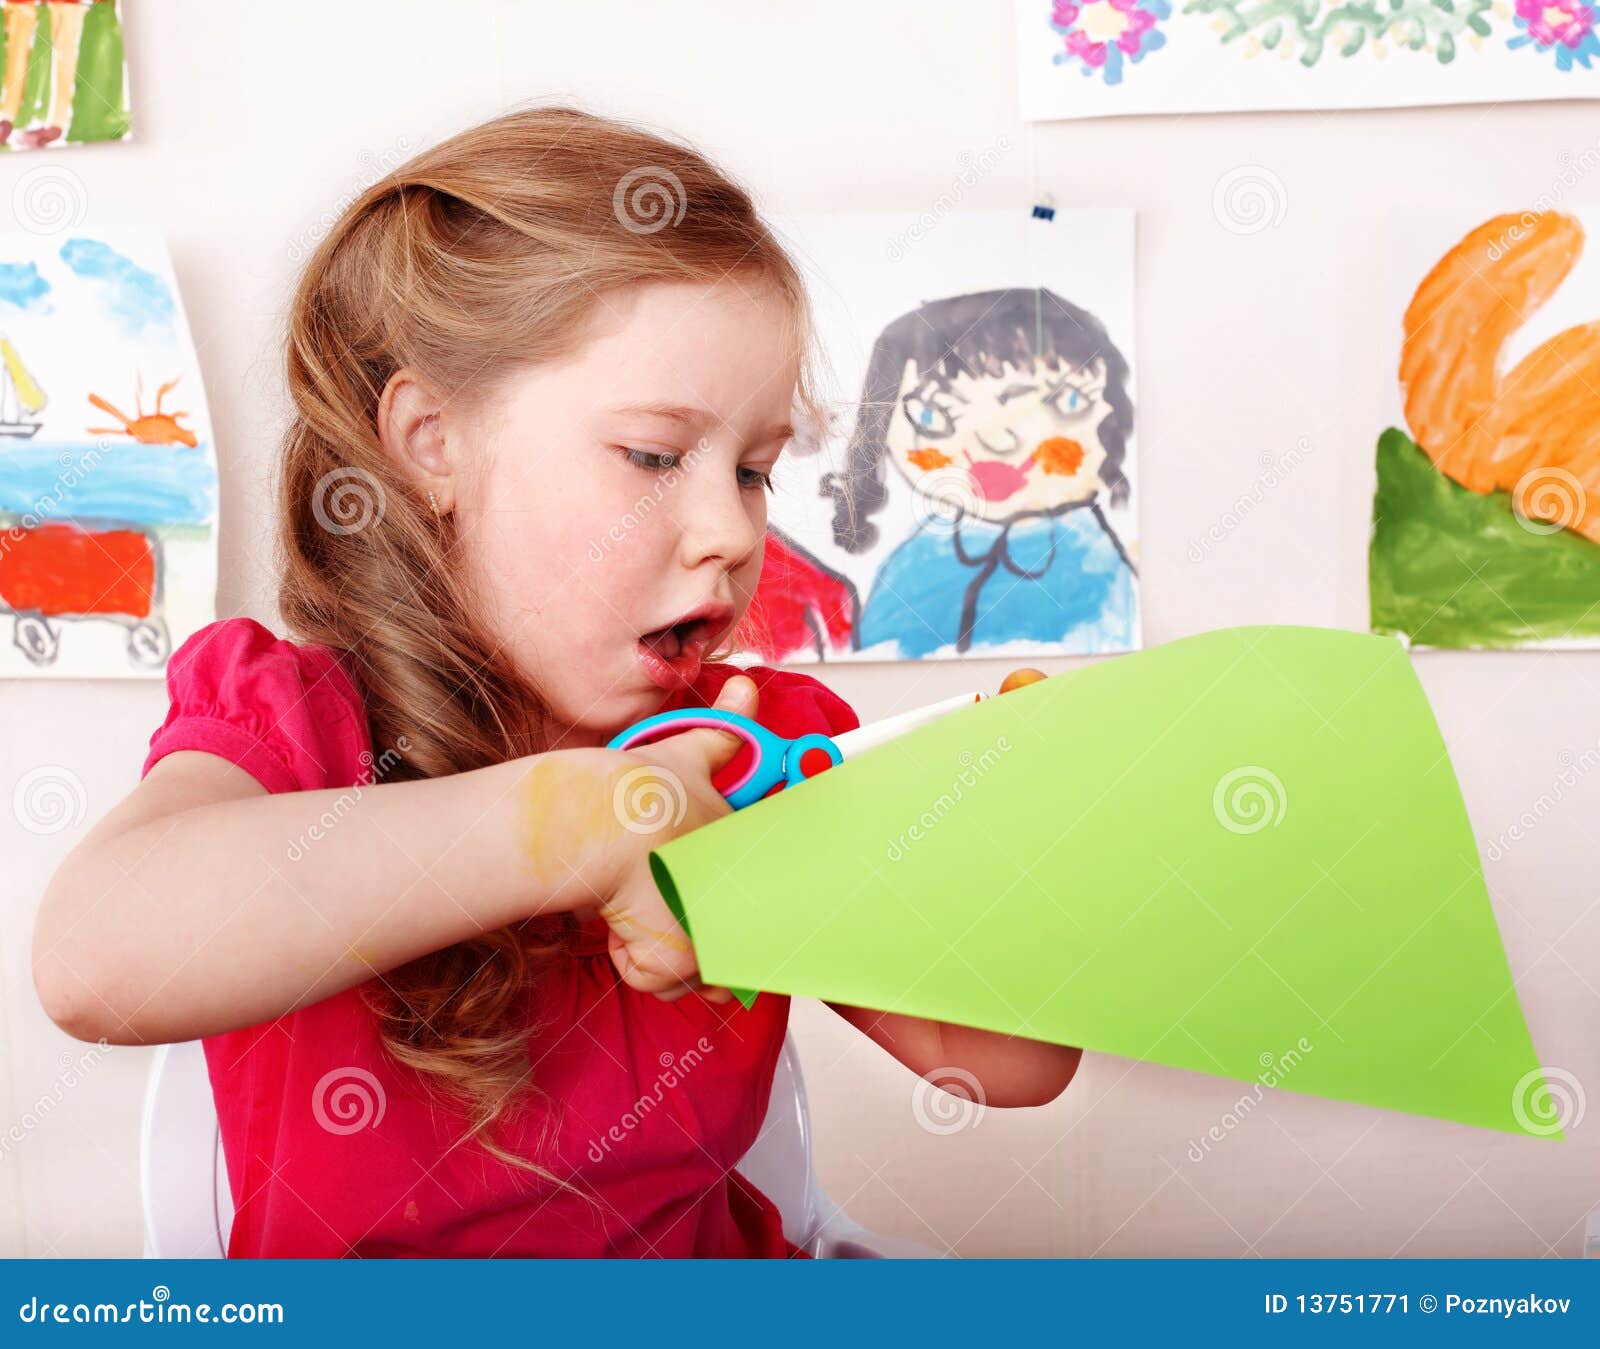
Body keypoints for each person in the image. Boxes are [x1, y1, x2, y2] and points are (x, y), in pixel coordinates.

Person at [33, 106, 1081, 1258]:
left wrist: (1010, 834)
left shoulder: (757, 745)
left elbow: (1003, 1064)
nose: (729, 530)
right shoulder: (298, 724)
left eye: (754, 470)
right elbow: (94, 962)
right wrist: (565, 824)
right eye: (651, 456)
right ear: (433, 442)